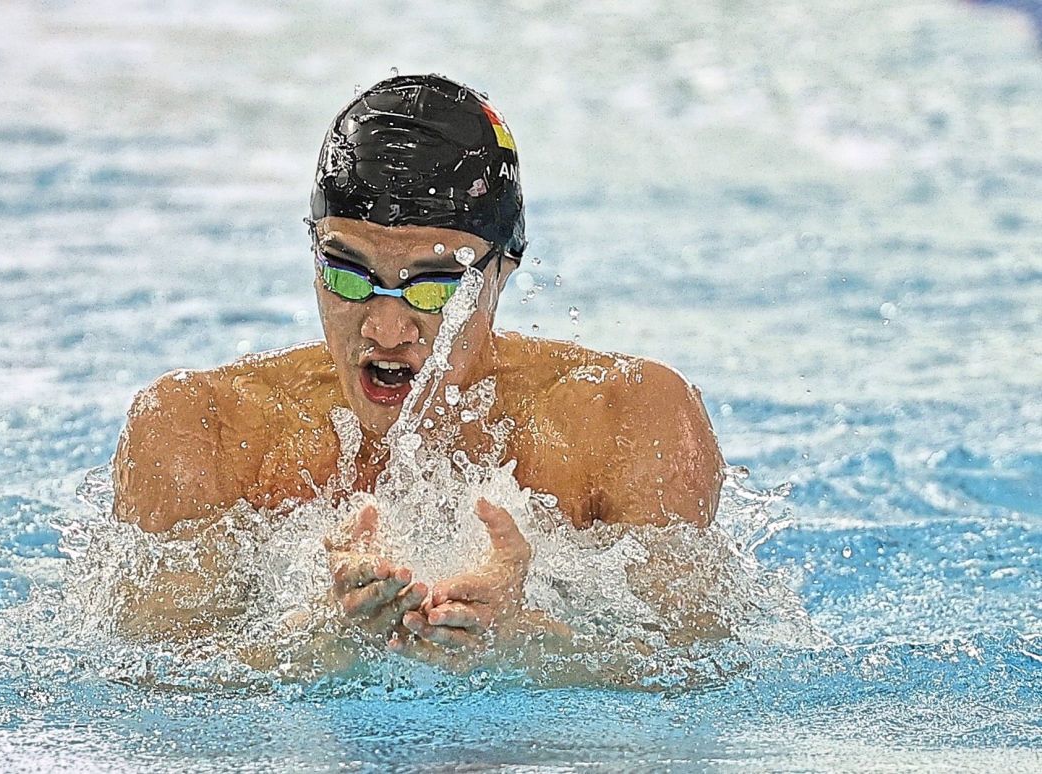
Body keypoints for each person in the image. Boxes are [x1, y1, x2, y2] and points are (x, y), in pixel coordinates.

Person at [111, 74, 725, 676]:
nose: (384, 329)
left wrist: (525, 642)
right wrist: (321, 640)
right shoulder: (203, 430)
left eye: (433, 284)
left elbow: (699, 667)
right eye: (347, 271)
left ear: (504, 268)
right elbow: (151, 678)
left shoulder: (628, 418)